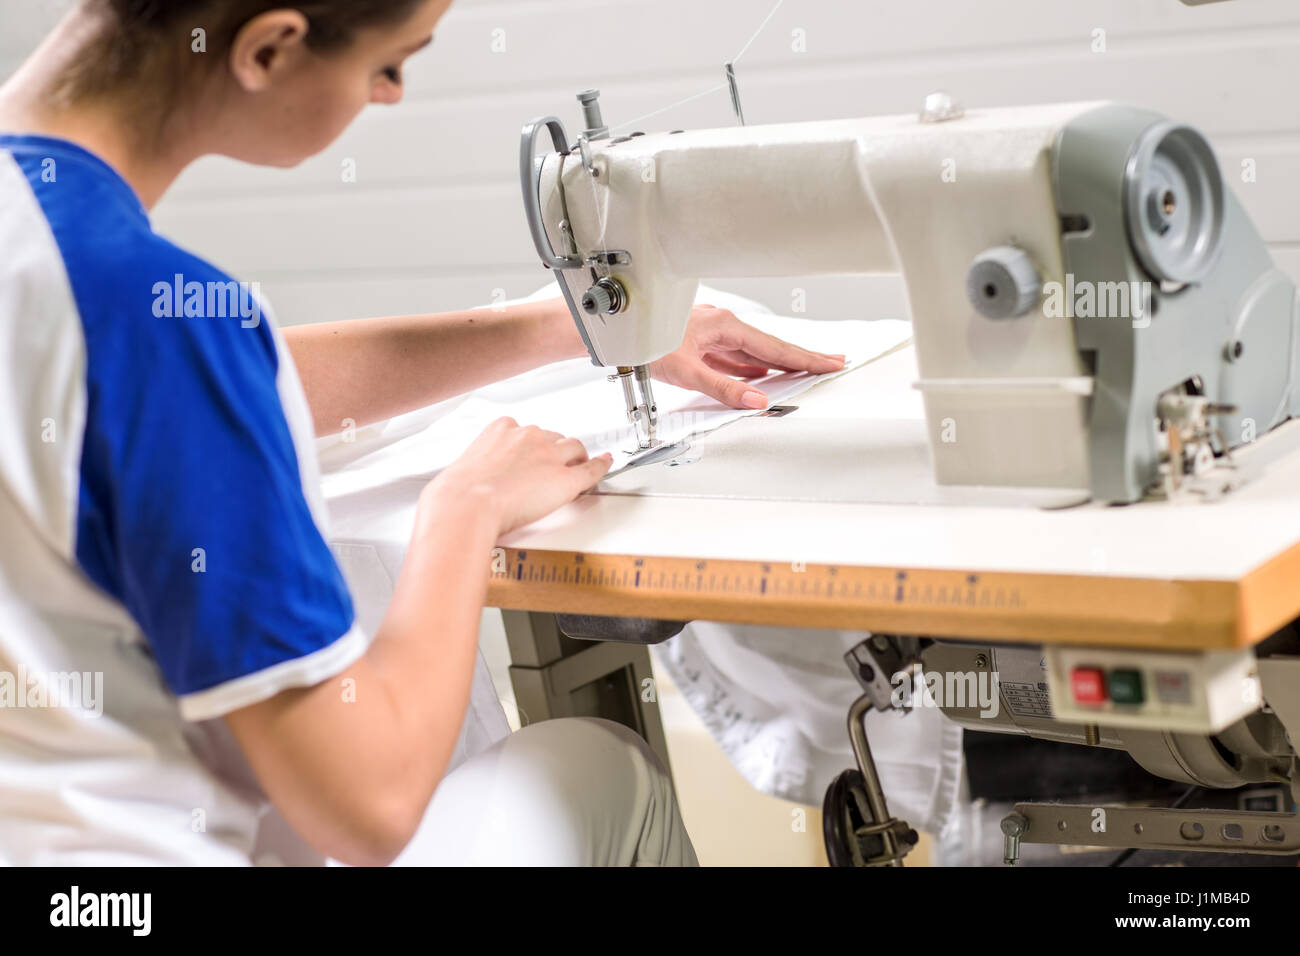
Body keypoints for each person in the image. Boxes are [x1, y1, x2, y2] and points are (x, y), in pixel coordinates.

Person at [0, 0, 845, 865]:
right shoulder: (151, 319)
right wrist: (464, 511)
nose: (394, 94)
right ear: (269, 49)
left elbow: (220, 376)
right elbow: (369, 806)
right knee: (604, 768)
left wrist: (572, 324)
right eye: (389, 64)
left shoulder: (66, 265)